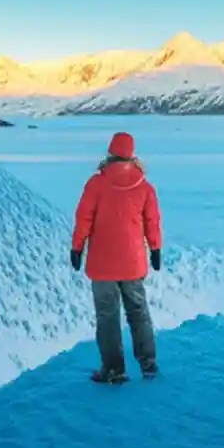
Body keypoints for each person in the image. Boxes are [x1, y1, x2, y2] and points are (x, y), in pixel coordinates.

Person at [70, 131, 163, 384]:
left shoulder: (96, 184)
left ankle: (114, 370)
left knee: (108, 317)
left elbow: (84, 219)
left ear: (110, 153)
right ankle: (148, 363)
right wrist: (155, 249)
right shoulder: (144, 187)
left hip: (102, 263)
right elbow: (152, 222)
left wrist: (77, 248)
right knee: (138, 313)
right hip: (132, 263)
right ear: (133, 156)